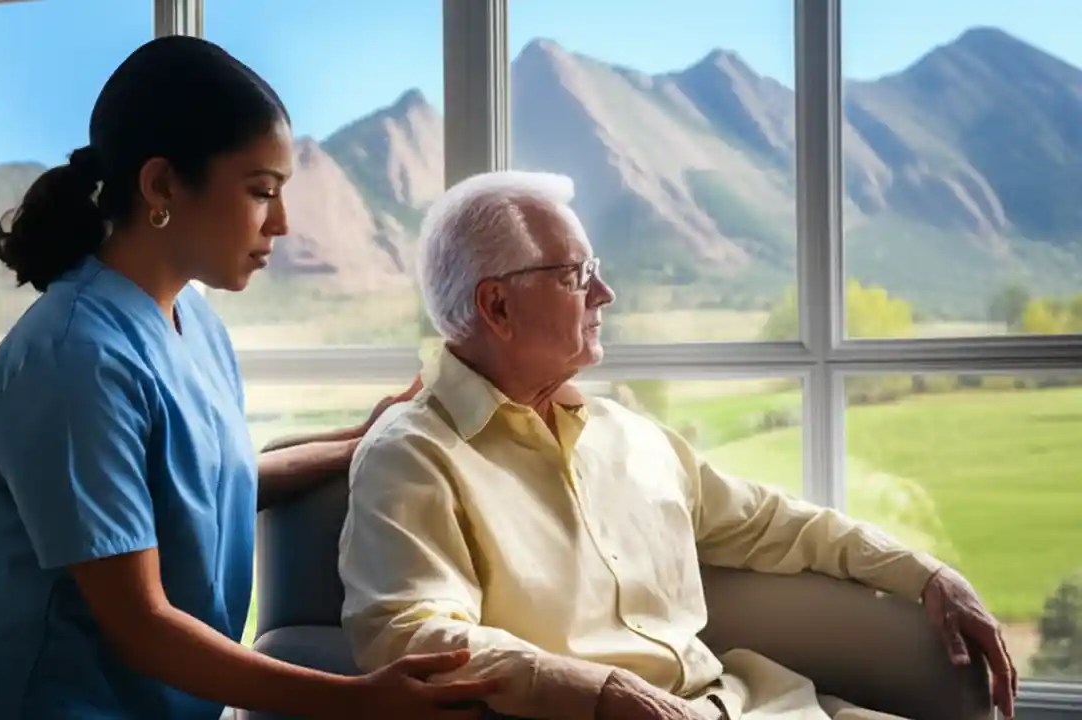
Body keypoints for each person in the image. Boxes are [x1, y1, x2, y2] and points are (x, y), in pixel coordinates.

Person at [0, 36, 500, 720]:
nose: (282, 223)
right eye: (262, 191)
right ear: (162, 185)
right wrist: (357, 701)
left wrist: (361, 441)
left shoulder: (191, 324)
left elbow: (202, 493)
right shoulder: (73, 358)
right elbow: (140, 622)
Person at [338, 171, 1019, 720]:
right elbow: (414, 633)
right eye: (576, 275)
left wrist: (927, 574)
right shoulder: (413, 455)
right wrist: (599, 693)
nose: (604, 293)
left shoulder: (626, 431)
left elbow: (773, 522)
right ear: (497, 307)